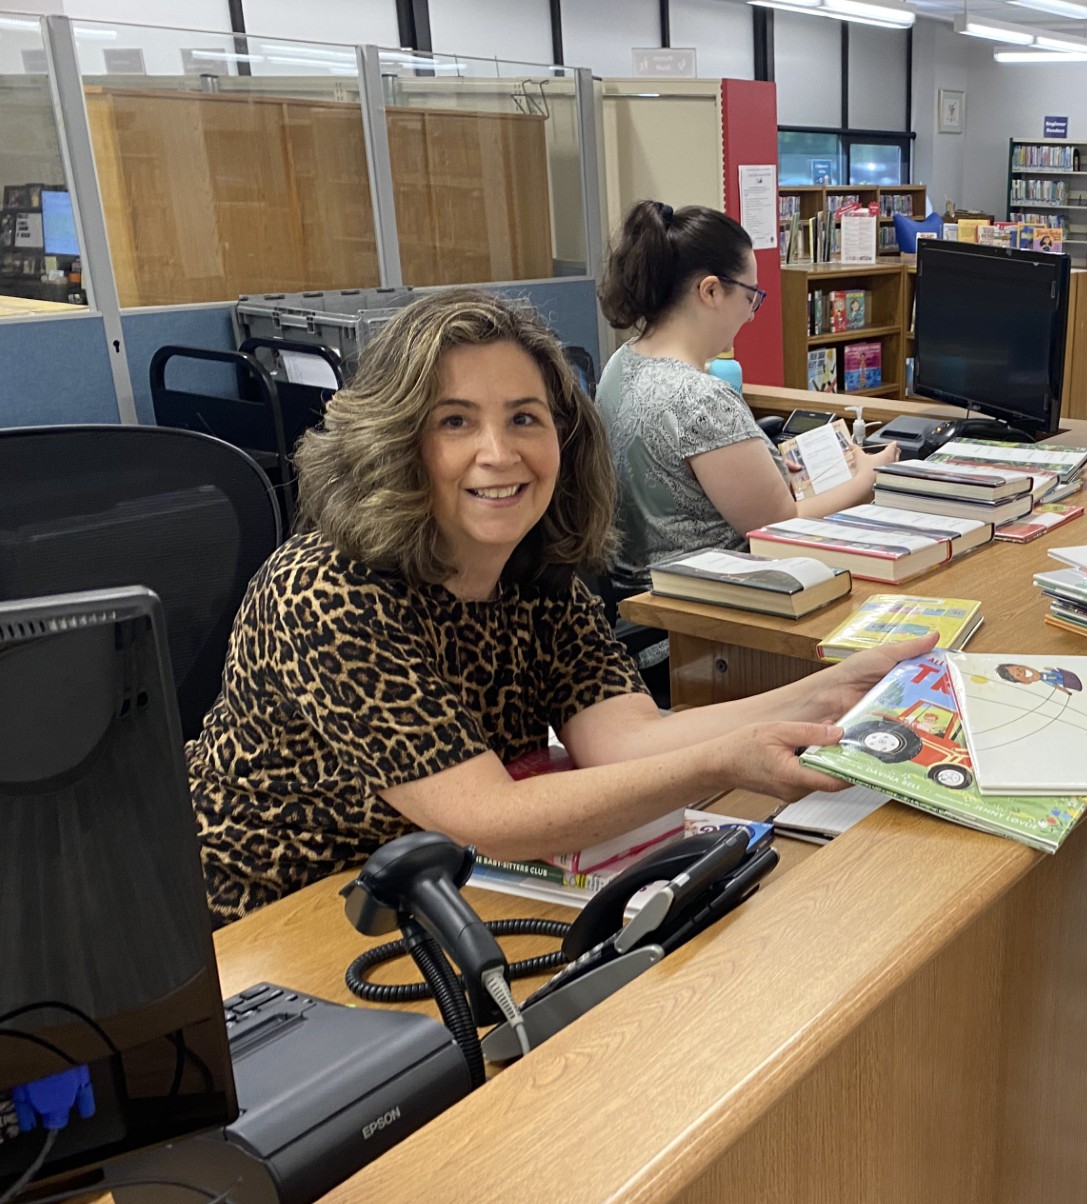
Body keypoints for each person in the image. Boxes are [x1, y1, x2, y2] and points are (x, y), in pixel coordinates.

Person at [188, 288, 925, 925]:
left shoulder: (537, 574)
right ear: (396, 442)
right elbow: (492, 817)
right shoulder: (326, 591)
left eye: (524, 419)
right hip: (278, 918)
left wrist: (826, 693)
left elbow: (626, 741)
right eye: (455, 422)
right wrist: (729, 762)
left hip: (438, 888)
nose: (499, 453)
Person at [595, 200, 899, 589]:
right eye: (750, 297)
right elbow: (779, 527)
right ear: (710, 291)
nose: (752, 314)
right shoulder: (699, 398)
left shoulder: (622, 361)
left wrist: (760, 465)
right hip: (705, 604)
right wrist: (870, 477)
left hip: (641, 591)